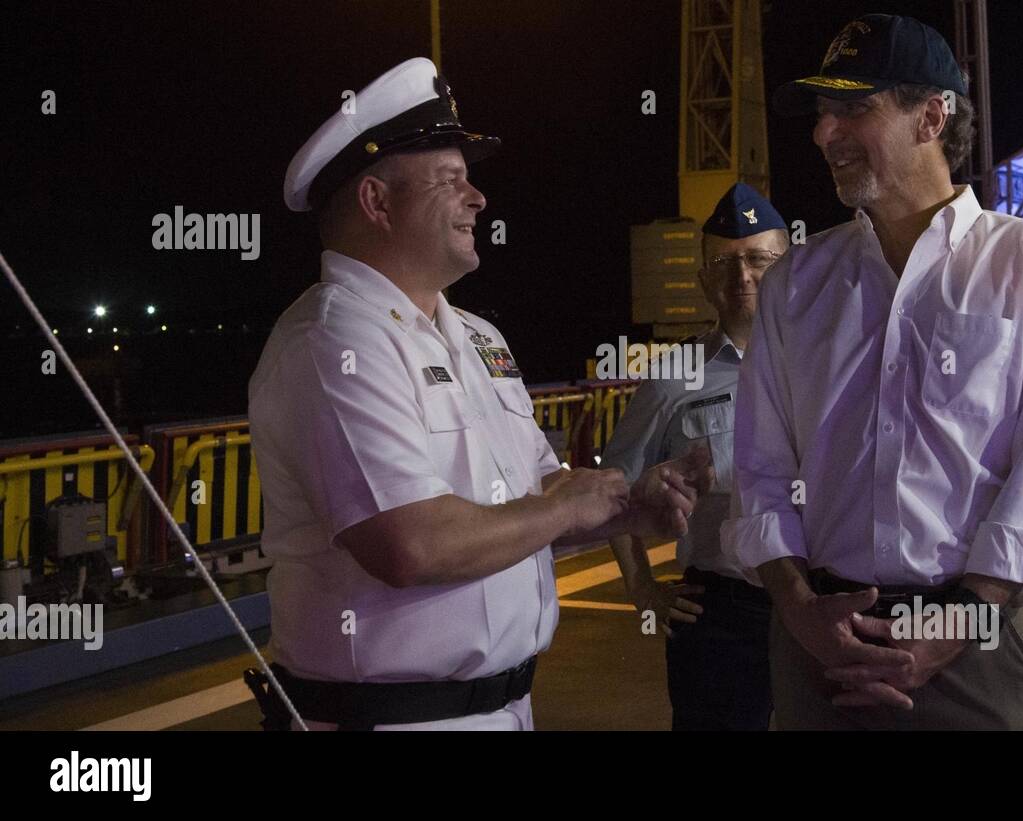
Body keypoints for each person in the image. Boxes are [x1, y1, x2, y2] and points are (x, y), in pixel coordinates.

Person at [246, 58, 709, 731]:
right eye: (450, 180)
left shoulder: (475, 335)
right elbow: (410, 544)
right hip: (393, 718)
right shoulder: (333, 344)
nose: (478, 199)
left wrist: (629, 507)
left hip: (505, 709)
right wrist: (566, 507)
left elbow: (539, 495)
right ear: (377, 202)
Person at [723, 13, 1023, 730]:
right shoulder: (795, 284)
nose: (823, 133)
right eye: (822, 113)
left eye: (852, 109)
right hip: (821, 641)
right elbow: (761, 472)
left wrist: (954, 623)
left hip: (984, 643)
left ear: (932, 116)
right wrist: (799, 609)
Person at [602, 183, 788, 730]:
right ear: (704, 279)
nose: (742, 276)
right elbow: (613, 490)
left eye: (758, 259)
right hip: (721, 614)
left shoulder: (827, 362)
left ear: (787, 266)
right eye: (724, 263)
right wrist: (642, 590)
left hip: (822, 603)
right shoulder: (670, 377)